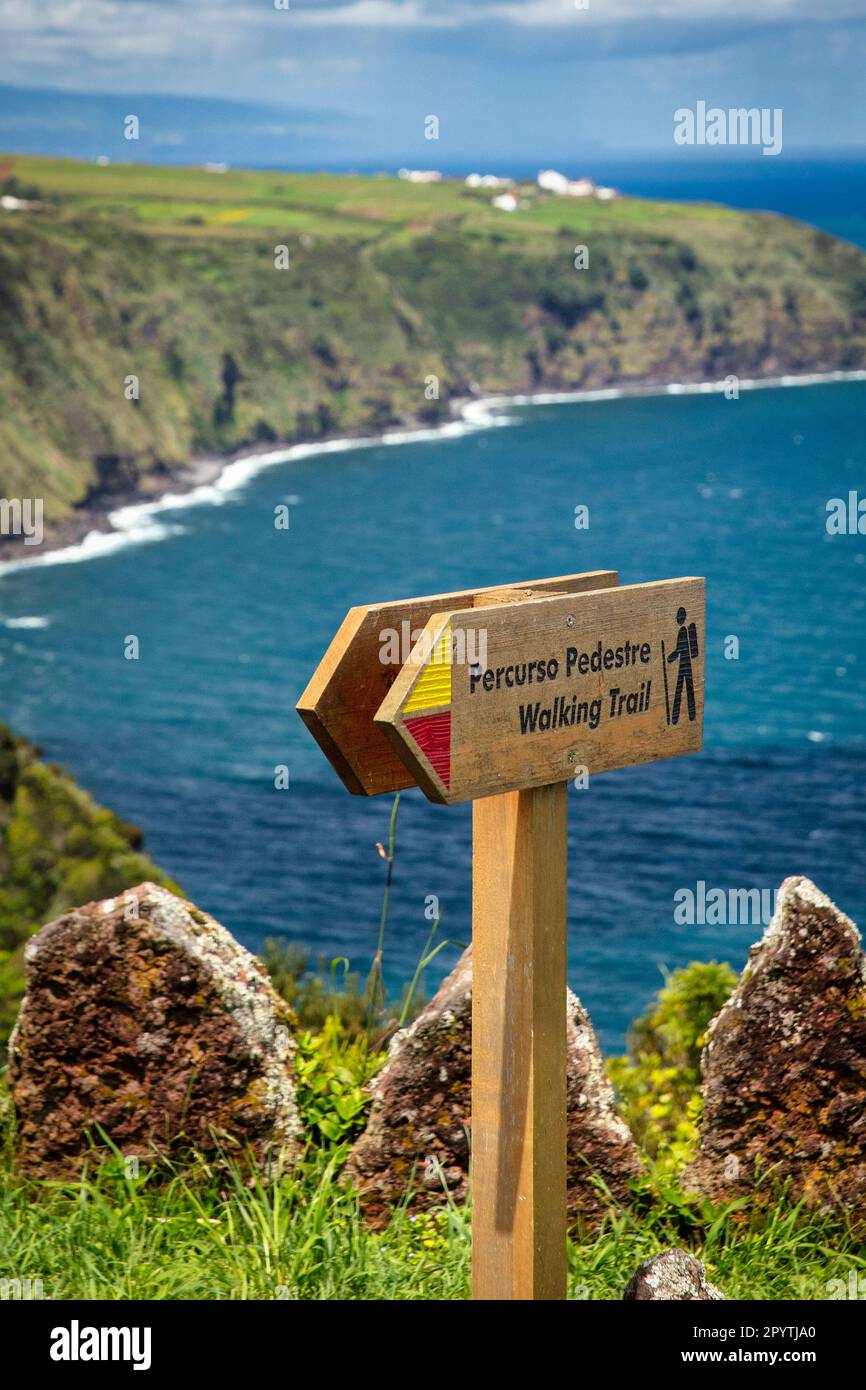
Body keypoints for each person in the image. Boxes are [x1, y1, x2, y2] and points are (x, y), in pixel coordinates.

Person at [667, 606, 697, 724]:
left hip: (684, 665)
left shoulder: (685, 630)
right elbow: (694, 652)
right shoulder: (689, 628)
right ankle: (688, 716)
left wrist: (671, 657)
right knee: (687, 689)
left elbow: (682, 650)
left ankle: (679, 718)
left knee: (680, 689)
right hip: (684, 664)